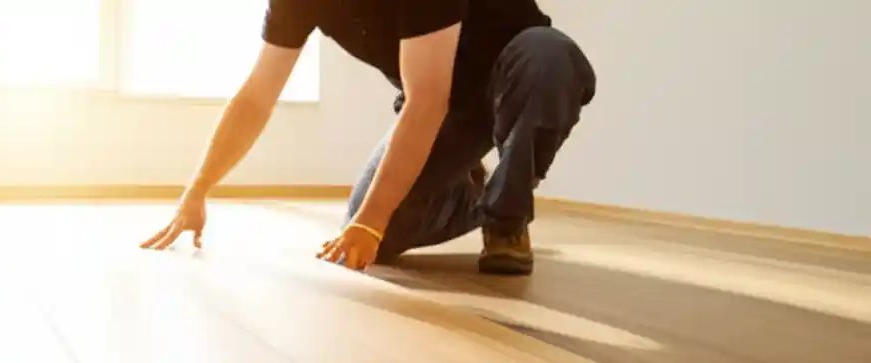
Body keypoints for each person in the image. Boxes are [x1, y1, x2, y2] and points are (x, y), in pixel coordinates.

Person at [141, 0, 596, 276]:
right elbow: (257, 96)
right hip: (446, 106)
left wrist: (371, 220)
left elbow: (427, 98)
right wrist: (197, 189)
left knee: (548, 58)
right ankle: (471, 185)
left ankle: (507, 217)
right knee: (379, 233)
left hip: (515, 77)